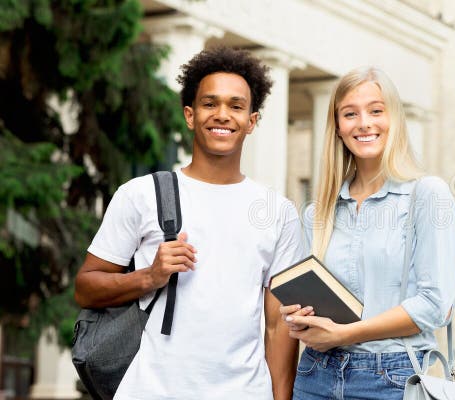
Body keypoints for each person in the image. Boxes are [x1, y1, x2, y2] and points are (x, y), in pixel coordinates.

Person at [74, 47, 305, 400]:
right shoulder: (141, 195)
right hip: (150, 391)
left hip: (244, 392)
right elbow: (85, 288)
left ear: (252, 121)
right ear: (190, 115)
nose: (222, 115)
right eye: (210, 104)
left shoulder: (278, 211)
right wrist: (148, 277)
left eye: (236, 106)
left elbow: (278, 326)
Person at [279, 67, 455, 399]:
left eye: (376, 111)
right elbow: (316, 302)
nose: (363, 123)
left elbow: (435, 305)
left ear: (394, 119)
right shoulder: (318, 213)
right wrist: (299, 317)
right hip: (315, 375)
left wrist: (345, 334)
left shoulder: (427, 196)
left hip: (392, 379)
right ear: (337, 126)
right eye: (350, 113)